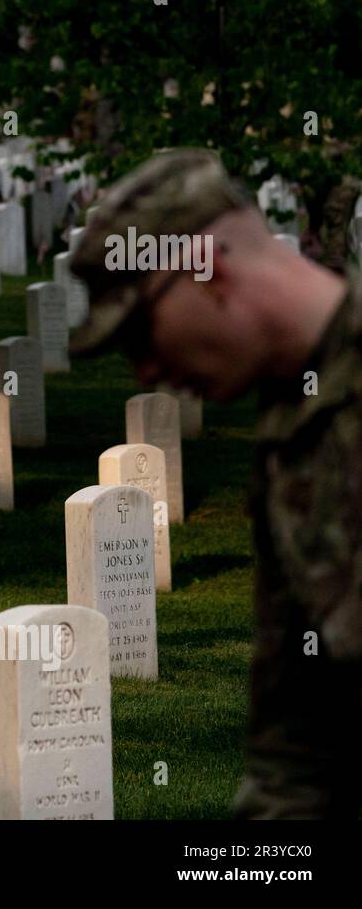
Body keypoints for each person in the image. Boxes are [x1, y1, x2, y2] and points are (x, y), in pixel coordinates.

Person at [68, 147, 361, 817]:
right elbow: (294, 747)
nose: (143, 371)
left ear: (209, 274)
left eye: (140, 333)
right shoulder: (292, 437)